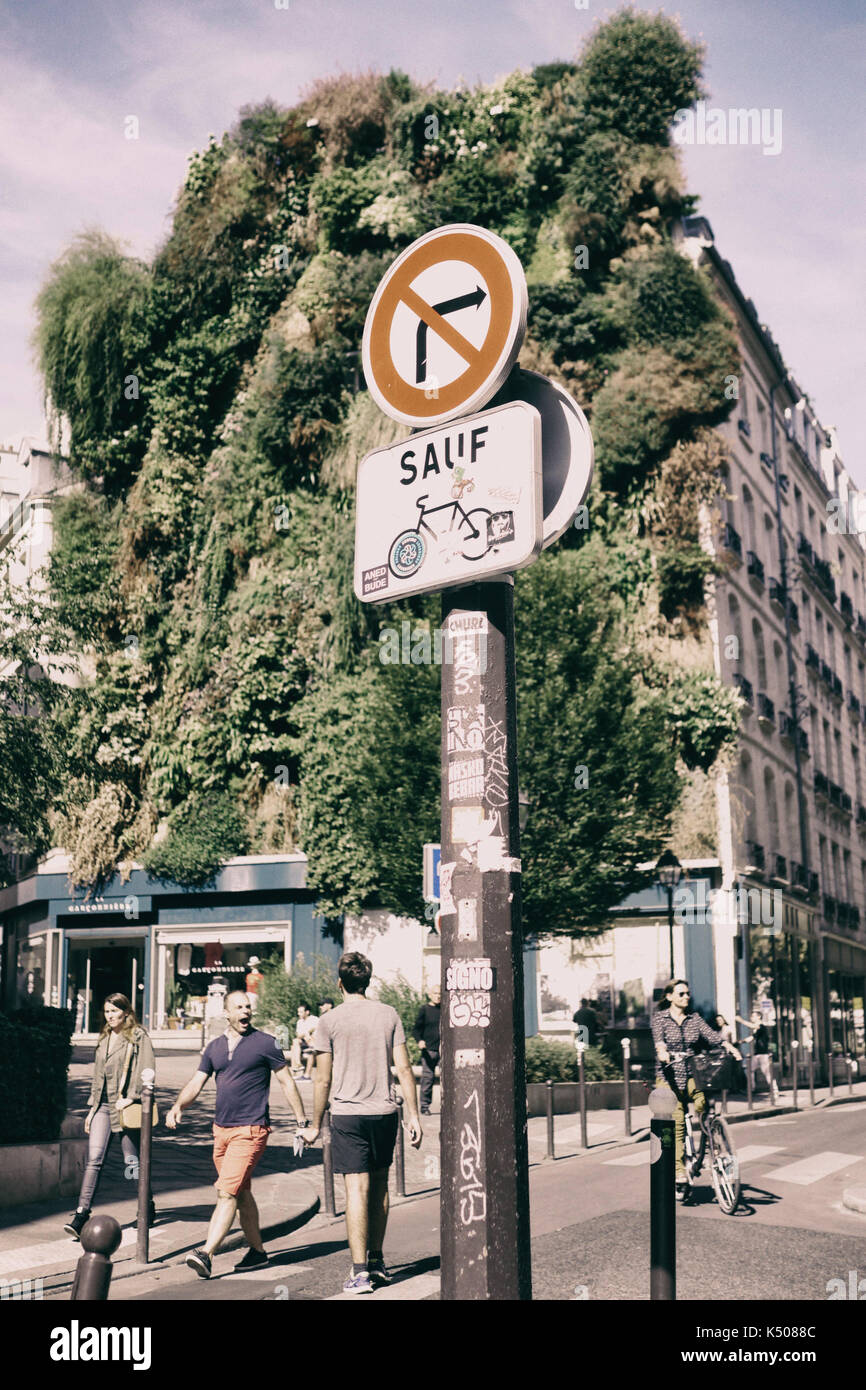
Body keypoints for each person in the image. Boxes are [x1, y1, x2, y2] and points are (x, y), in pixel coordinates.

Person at [299, 952, 422, 1295]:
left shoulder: (329, 1021)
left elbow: (322, 1081)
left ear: (340, 983)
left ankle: (360, 1272)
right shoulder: (388, 1014)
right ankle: (379, 1261)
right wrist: (413, 1115)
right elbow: (404, 1069)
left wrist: (314, 1123)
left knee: (357, 1190)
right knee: (381, 1186)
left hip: (348, 1114)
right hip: (384, 1112)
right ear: (368, 981)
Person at [166, 990, 308, 1278]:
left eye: (248, 1007)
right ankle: (257, 1253)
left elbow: (286, 1081)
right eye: (239, 1007)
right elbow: (197, 1081)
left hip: (251, 1129)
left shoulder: (266, 1043)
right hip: (221, 1131)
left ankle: (206, 1253)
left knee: (226, 1193)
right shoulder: (214, 1047)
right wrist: (178, 1105)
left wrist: (302, 1123)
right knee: (241, 1192)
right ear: (227, 1014)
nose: (245, 1011)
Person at [64, 993, 156, 1239]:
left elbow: (147, 1070)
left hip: (124, 1107)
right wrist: (92, 1109)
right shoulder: (104, 1038)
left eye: (115, 1011)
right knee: (94, 1159)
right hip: (103, 1107)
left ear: (126, 1011)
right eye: (107, 1012)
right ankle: (81, 1214)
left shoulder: (138, 1036)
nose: (111, 1016)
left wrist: (133, 1096)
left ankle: (146, 1206)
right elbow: (98, 1078)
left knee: (131, 1163)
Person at [651, 980, 741, 1202]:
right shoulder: (660, 1019)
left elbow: (711, 1037)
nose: (686, 997)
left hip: (692, 1074)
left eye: (688, 993)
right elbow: (659, 1042)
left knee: (703, 1103)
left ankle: (710, 1142)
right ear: (670, 996)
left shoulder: (695, 1019)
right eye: (681, 993)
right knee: (678, 1124)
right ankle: (680, 1172)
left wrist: (728, 1047)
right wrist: (663, 1053)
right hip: (668, 1076)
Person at [736, 1009, 780, 1102]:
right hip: (757, 1054)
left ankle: (775, 1090)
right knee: (750, 1070)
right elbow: (752, 1038)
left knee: (767, 1073)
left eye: (753, 1016)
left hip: (763, 1054)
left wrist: (741, 1021)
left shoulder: (761, 1026)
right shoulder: (757, 1029)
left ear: (759, 1017)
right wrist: (741, 1041)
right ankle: (751, 1089)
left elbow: (753, 1026)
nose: (751, 1018)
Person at [412, 982, 441, 1115]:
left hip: (443, 1050)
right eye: (435, 993)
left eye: (440, 993)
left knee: (448, 1080)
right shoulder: (424, 1009)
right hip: (429, 1050)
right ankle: (424, 1106)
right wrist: (420, 1041)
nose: (438, 996)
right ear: (430, 995)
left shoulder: (445, 1009)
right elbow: (416, 1030)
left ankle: (448, 1105)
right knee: (427, 1079)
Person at [291, 1004, 318, 1077]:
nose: (298, 1014)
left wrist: (306, 1033)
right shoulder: (299, 1022)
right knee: (295, 1042)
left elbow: (314, 1031)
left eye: (300, 1012)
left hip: (313, 1042)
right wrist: (306, 1033)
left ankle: (297, 1071)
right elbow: (299, 1036)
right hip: (304, 1042)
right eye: (298, 1012)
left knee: (294, 1048)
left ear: (307, 1012)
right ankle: (298, 1064)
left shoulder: (314, 1019)